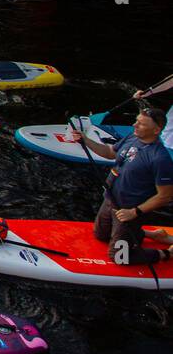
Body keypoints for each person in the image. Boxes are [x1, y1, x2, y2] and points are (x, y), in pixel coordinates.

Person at [72, 106, 173, 265]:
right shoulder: (132, 138)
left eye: (141, 124)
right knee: (101, 235)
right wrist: (85, 140)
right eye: (136, 121)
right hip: (111, 200)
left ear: (156, 130)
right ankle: (149, 234)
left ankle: (166, 253)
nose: (134, 125)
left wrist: (134, 212)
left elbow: (165, 195)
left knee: (120, 258)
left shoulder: (160, 158)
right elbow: (110, 151)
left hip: (130, 210)